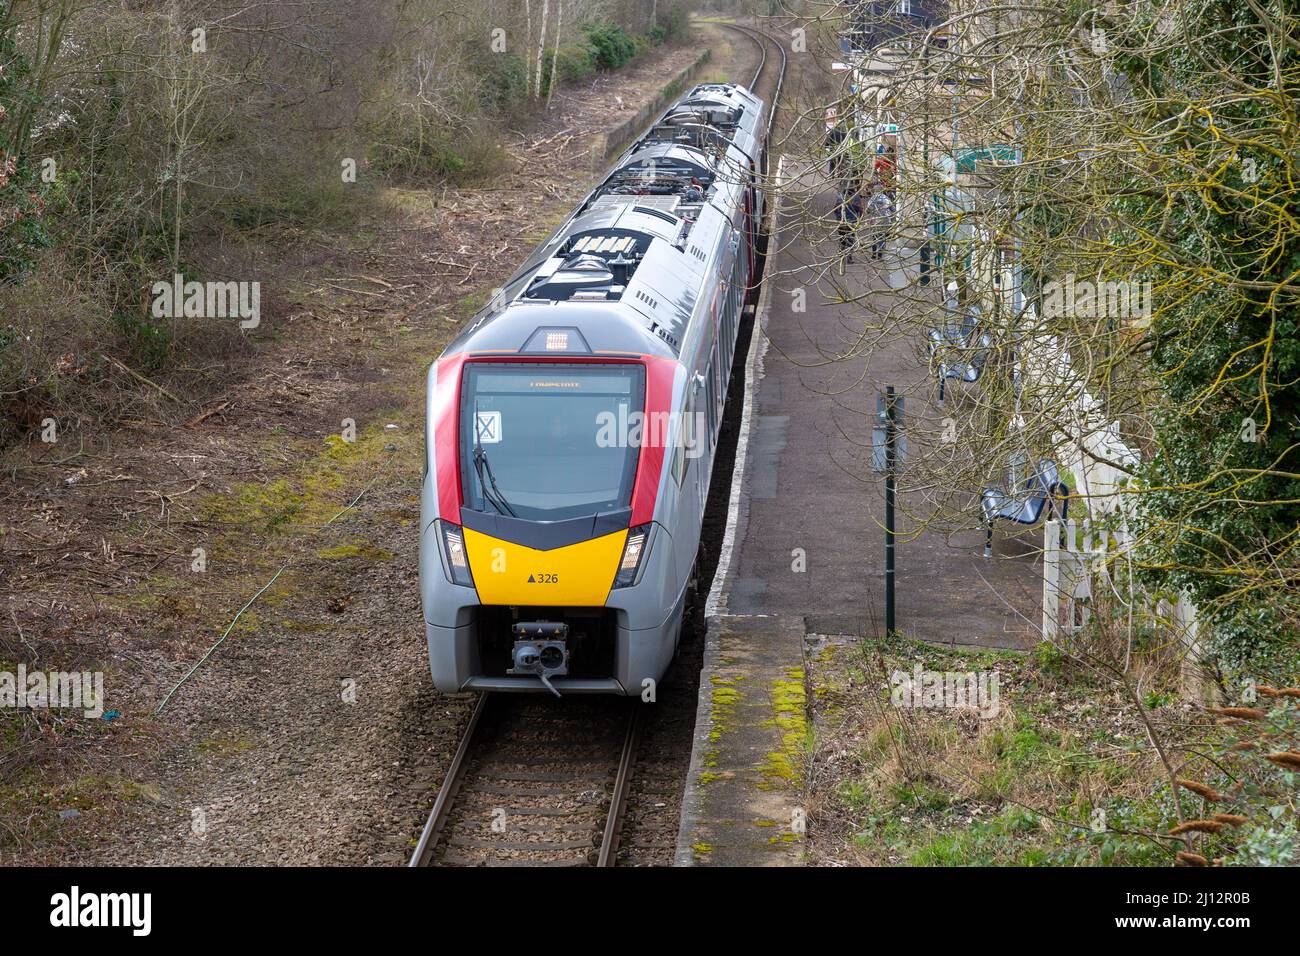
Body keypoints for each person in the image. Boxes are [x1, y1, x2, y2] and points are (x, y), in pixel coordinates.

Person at [835, 181, 864, 264]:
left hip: (841, 222)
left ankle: (842, 255)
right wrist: (859, 219)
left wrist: (838, 218)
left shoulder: (839, 198)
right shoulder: (856, 198)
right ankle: (849, 257)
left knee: (842, 239)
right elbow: (860, 210)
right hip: (852, 223)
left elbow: (834, 209)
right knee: (850, 239)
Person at [865, 185, 894, 260]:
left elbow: (868, 210)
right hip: (884, 221)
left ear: (874, 191)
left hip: (874, 221)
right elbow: (893, 209)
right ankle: (880, 255)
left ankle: (874, 254)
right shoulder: (886, 198)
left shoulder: (872, 199)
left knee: (874, 237)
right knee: (882, 237)